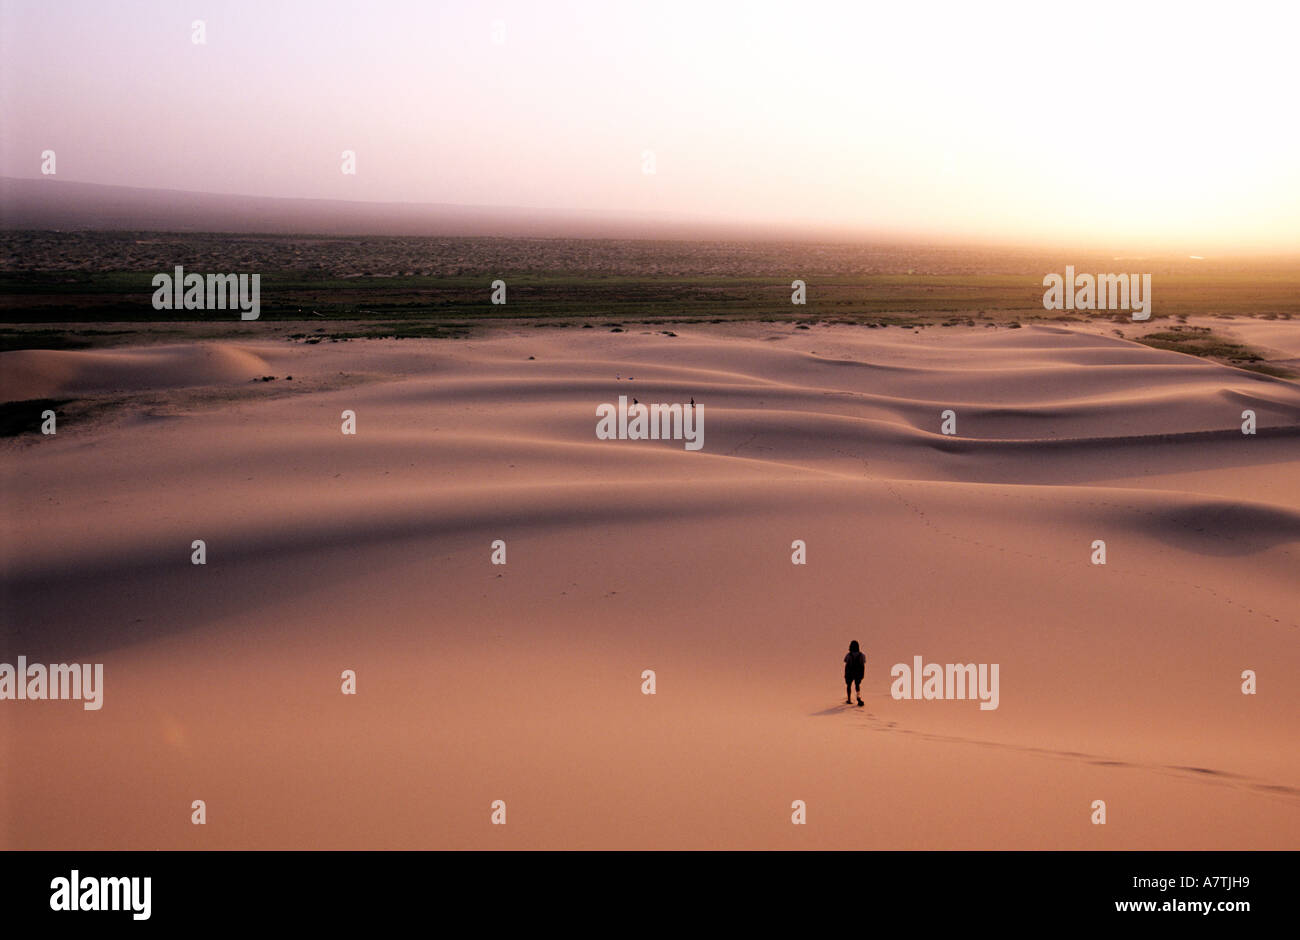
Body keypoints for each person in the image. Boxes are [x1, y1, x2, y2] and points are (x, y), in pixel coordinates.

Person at [843, 641, 866, 706]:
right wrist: (862, 674)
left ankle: (849, 699)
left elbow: (846, 663)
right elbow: (863, 664)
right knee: (857, 685)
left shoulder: (849, 655)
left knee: (849, 685)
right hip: (858, 673)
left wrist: (846, 674)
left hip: (850, 673)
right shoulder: (861, 655)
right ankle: (858, 697)